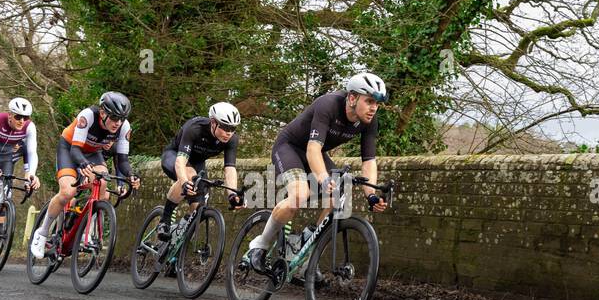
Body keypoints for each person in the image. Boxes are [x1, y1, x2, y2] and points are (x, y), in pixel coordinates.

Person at [247, 72, 390, 273]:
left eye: (377, 103)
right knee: (300, 194)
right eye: (369, 101)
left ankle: (305, 245)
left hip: (315, 153)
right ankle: (259, 245)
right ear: (352, 98)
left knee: (340, 193)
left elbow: (368, 161)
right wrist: (323, 179)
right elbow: (313, 148)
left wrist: (372, 195)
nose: (374, 108)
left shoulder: (369, 122)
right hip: (290, 147)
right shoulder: (329, 105)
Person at [29, 90, 141, 259]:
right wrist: (82, 165)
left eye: (122, 118)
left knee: (103, 183)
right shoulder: (87, 116)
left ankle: (87, 231)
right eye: (115, 117)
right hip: (70, 149)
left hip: (92, 153)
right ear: (103, 113)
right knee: (68, 192)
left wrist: (131, 175)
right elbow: (75, 150)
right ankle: (42, 232)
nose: (118, 123)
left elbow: (123, 160)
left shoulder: (124, 127)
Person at [158, 101, 244, 240]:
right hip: (175, 156)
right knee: (190, 178)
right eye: (225, 127)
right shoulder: (195, 128)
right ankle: (164, 220)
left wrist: (233, 194)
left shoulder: (231, 139)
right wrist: (184, 182)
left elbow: (230, 169)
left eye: (232, 128)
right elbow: (181, 161)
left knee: (198, 208)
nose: (228, 133)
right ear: (213, 122)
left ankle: (179, 233)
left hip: (197, 163)